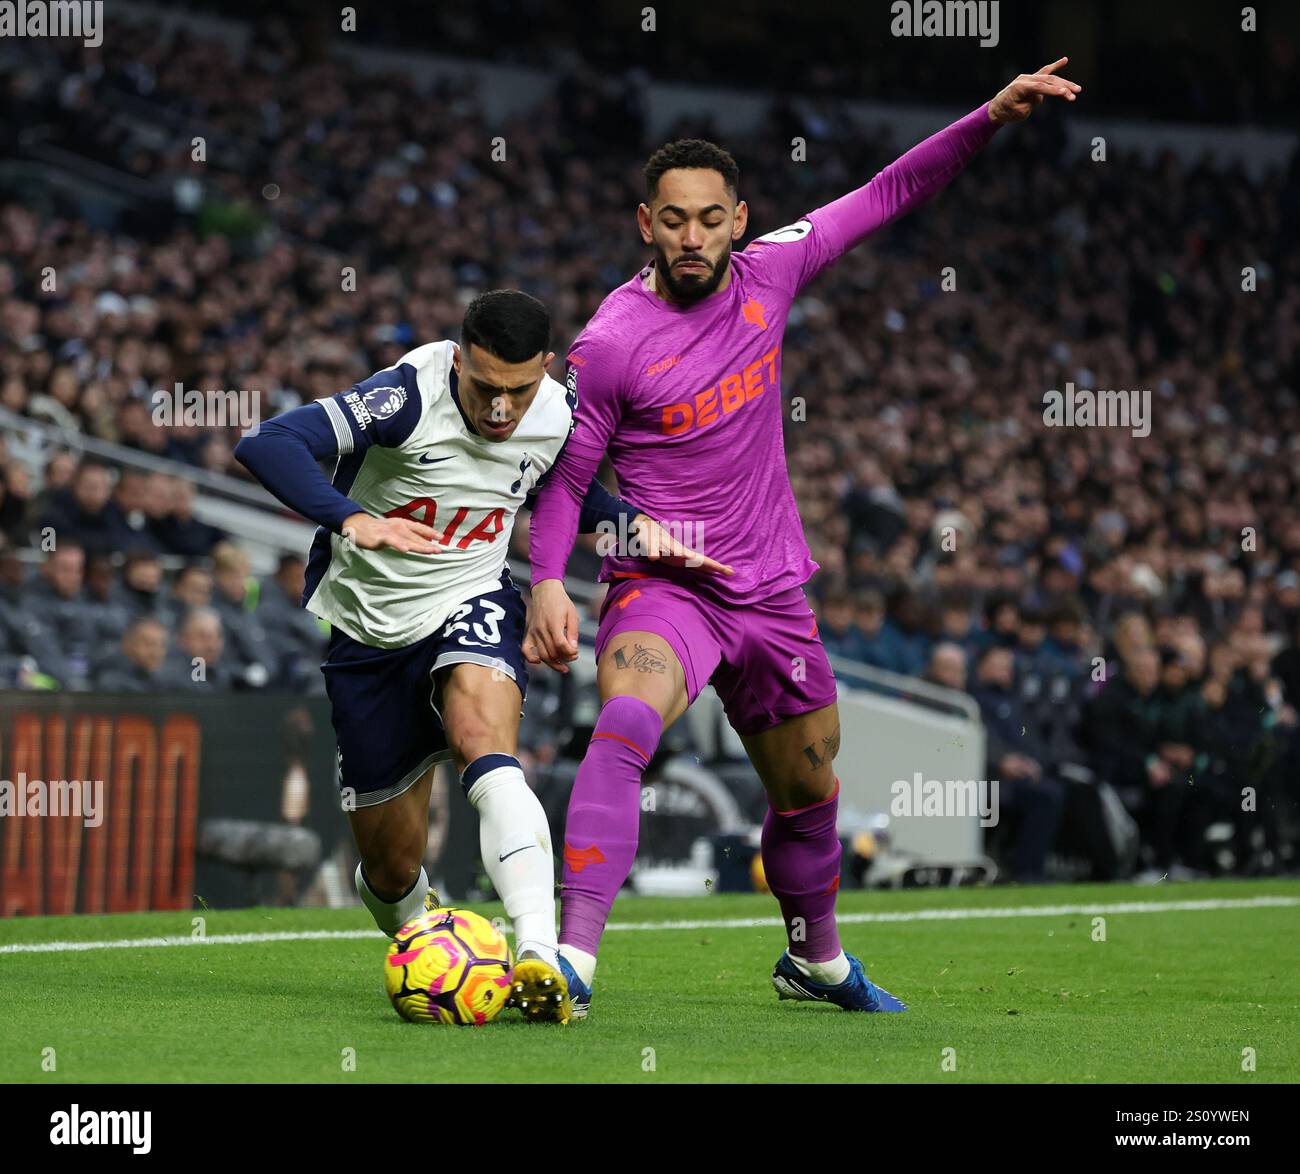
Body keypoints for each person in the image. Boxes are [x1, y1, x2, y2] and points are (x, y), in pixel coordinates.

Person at [526, 62, 1082, 1016]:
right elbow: (567, 477)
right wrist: (546, 583)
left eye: (709, 217)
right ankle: (572, 962)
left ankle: (813, 958)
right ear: (645, 225)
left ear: (739, 220)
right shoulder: (611, 339)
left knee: (808, 792)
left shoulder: (774, 269)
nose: (691, 236)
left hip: (774, 592)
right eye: (672, 219)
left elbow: (887, 192)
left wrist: (991, 114)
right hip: (667, 592)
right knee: (623, 726)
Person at [236, 289, 719, 1023]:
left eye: (518, 392)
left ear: (547, 371)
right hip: (367, 637)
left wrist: (638, 530)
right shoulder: (403, 398)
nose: (501, 411)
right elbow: (267, 442)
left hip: (474, 599)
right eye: (485, 388)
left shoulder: (558, 414)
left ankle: (539, 954)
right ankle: (425, 937)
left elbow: (562, 492)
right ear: (459, 360)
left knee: (484, 745)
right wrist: (355, 519)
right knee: (391, 869)